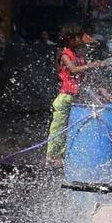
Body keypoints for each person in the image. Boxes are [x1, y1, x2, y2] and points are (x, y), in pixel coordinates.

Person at [45, 25, 99, 164]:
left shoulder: (78, 54)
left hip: (75, 97)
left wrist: (92, 41)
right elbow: (74, 70)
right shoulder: (65, 54)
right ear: (70, 39)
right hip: (65, 97)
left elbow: (83, 76)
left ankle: (62, 157)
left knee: (69, 128)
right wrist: (91, 65)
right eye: (79, 37)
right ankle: (51, 157)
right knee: (58, 128)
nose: (81, 39)